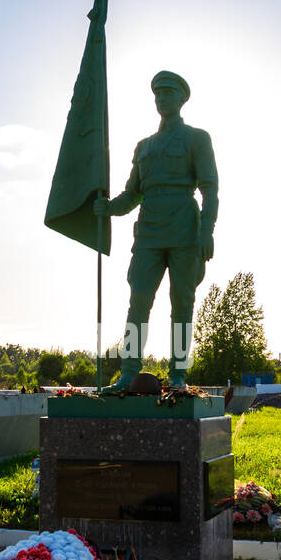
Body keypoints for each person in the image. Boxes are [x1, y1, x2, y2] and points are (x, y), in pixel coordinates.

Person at [94, 70, 217, 391]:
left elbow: (210, 188)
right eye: (158, 94)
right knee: (138, 302)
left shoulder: (196, 138)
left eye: (168, 93)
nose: (162, 99)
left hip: (184, 228)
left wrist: (207, 230)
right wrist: (106, 207)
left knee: (182, 305)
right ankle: (128, 374)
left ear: (181, 99)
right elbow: (131, 194)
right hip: (148, 230)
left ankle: (178, 376)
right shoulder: (144, 146)